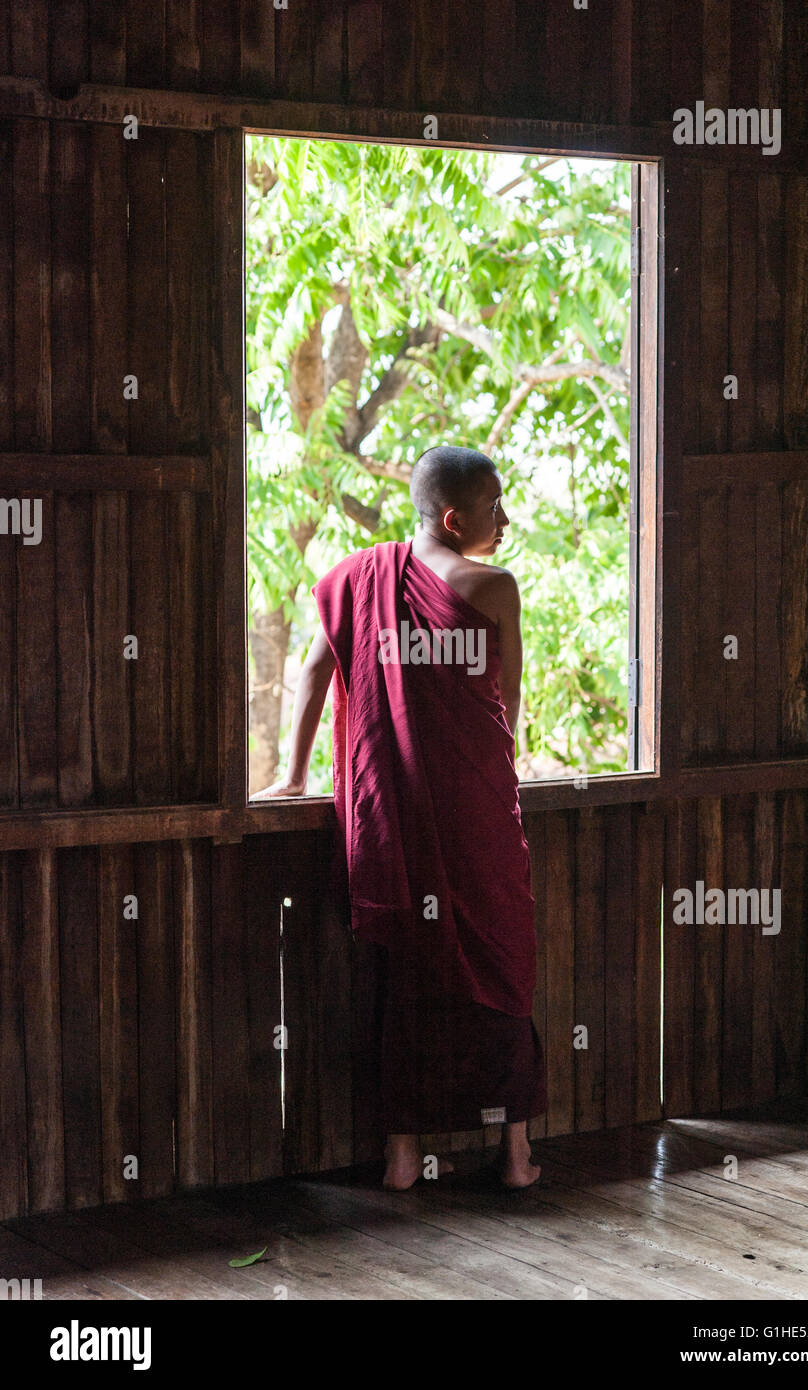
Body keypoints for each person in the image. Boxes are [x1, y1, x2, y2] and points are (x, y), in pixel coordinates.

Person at [254, 445, 546, 1189]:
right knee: (502, 968)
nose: (505, 519)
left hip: (387, 815)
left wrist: (292, 775)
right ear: (455, 519)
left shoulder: (357, 579)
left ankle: (402, 1155)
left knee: (403, 981)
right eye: (494, 506)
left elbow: (314, 671)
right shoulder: (493, 586)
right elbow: (505, 702)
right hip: (473, 813)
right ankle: (514, 1155)